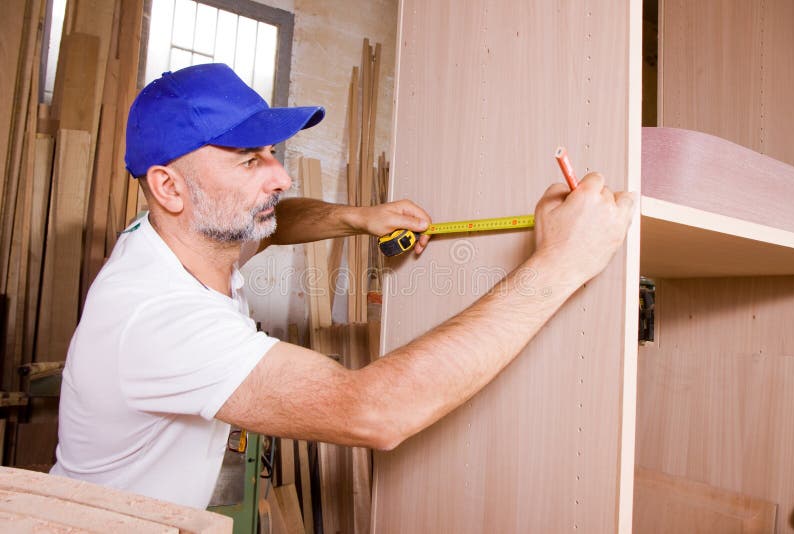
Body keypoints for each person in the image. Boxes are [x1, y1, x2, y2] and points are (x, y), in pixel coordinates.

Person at [51, 63, 635, 509]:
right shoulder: (156, 317)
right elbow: (376, 411)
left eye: (273, 153)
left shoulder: (182, 233)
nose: (281, 176)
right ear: (169, 187)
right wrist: (560, 263)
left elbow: (276, 225)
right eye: (249, 160)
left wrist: (357, 217)